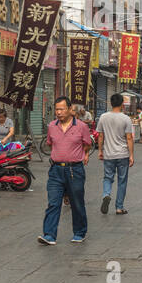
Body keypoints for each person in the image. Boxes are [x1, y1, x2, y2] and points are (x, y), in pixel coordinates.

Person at [40, 96, 93, 245]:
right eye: (56, 109)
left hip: (74, 170)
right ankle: (49, 235)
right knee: (53, 202)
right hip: (56, 170)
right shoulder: (52, 126)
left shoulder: (81, 126)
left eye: (61, 109)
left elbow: (87, 144)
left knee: (77, 202)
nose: (58, 112)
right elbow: (51, 144)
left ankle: (79, 232)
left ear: (70, 110)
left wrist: (81, 154)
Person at [96, 93, 135, 216]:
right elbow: (129, 138)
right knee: (122, 181)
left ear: (110, 103)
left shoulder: (103, 117)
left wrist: (100, 151)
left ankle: (106, 194)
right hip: (122, 154)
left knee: (108, 178)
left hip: (109, 154)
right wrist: (131, 155)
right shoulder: (126, 118)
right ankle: (119, 207)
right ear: (122, 104)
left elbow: (100, 135)